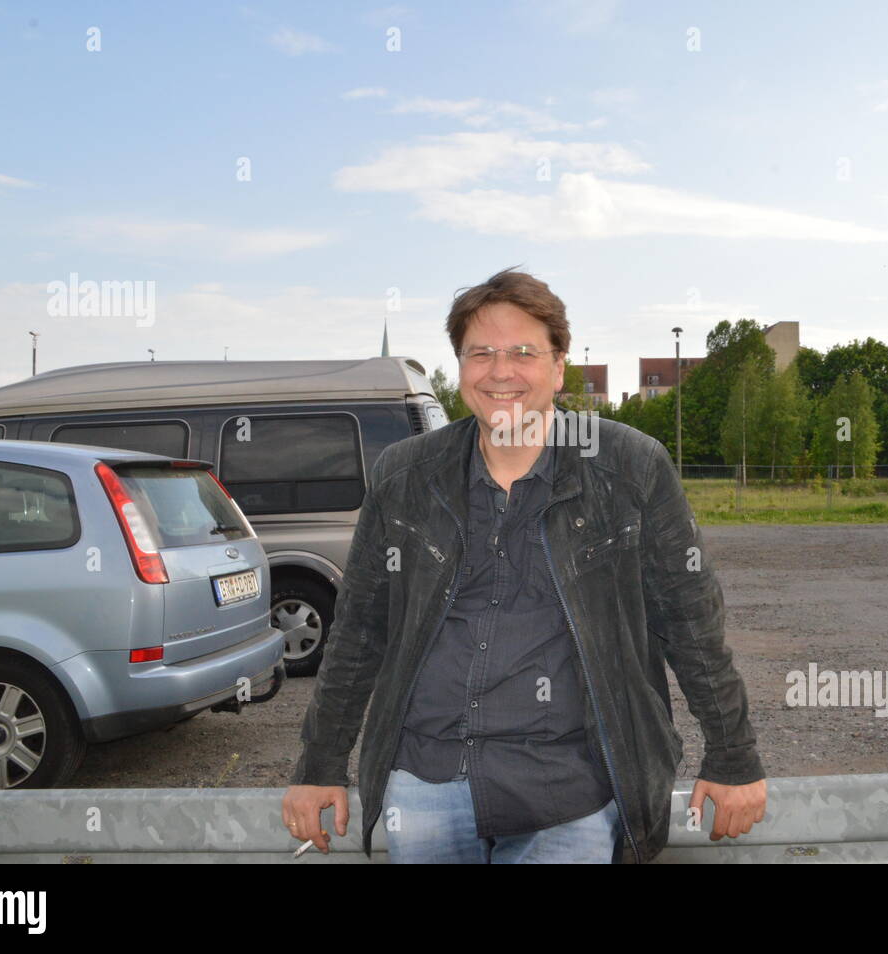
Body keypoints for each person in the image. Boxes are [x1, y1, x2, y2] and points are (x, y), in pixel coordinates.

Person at [282, 267, 767, 863]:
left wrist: (733, 756)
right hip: (427, 781)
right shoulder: (405, 474)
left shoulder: (629, 467)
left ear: (559, 366)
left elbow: (690, 623)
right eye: (480, 352)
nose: (501, 370)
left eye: (522, 352)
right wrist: (320, 764)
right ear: (460, 367)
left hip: (569, 788)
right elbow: (359, 632)